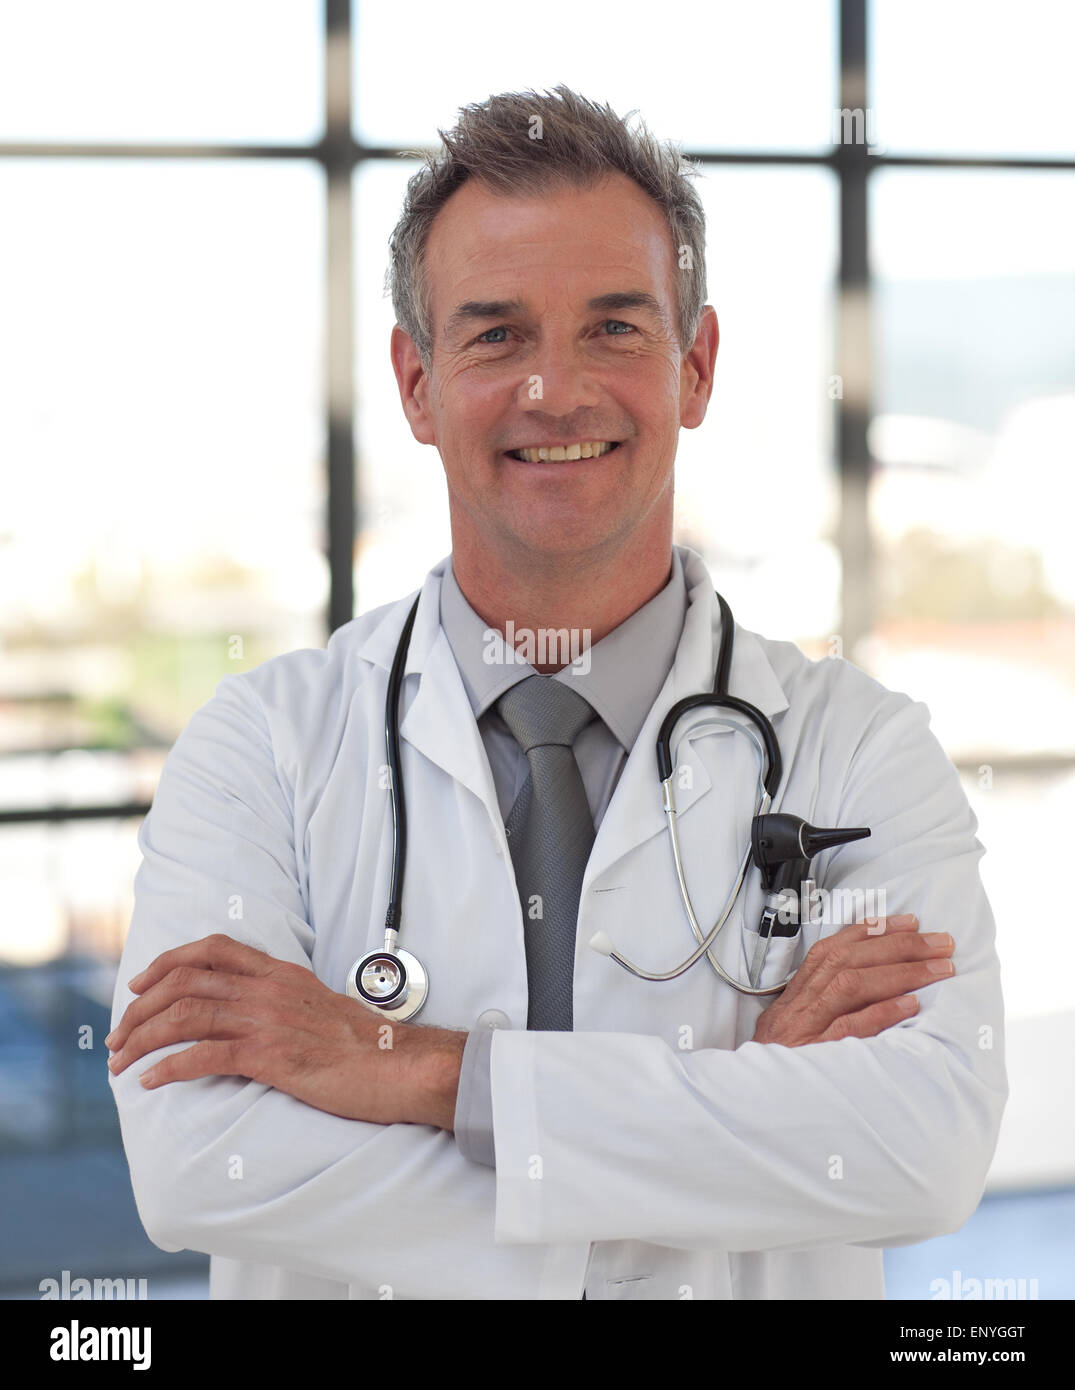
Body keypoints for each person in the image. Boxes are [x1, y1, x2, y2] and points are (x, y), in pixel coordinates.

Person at [106, 86, 1007, 1300]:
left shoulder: (861, 750)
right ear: (417, 384)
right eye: (494, 334)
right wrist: (736, 1130)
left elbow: (919, 1147)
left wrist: (415, 1069)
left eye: (614, 329)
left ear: (694, 366)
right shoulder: (258, 746)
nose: (554, 390)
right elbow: (202, 1166)